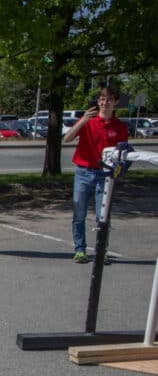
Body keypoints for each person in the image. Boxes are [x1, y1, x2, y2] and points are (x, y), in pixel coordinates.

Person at [62, 85, 128, 264]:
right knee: (79, 213)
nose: (104, 103)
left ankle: (101, 251)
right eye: (101, 99)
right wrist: (83, 120)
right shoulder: (88, 121)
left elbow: (122, 153)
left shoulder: (120, 127)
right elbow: (67, 139)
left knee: (103, 215)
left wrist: (118, 170)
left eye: (108, 100)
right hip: (83, 172)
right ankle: (80, 250)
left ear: (115, 102)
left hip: (105, 174)